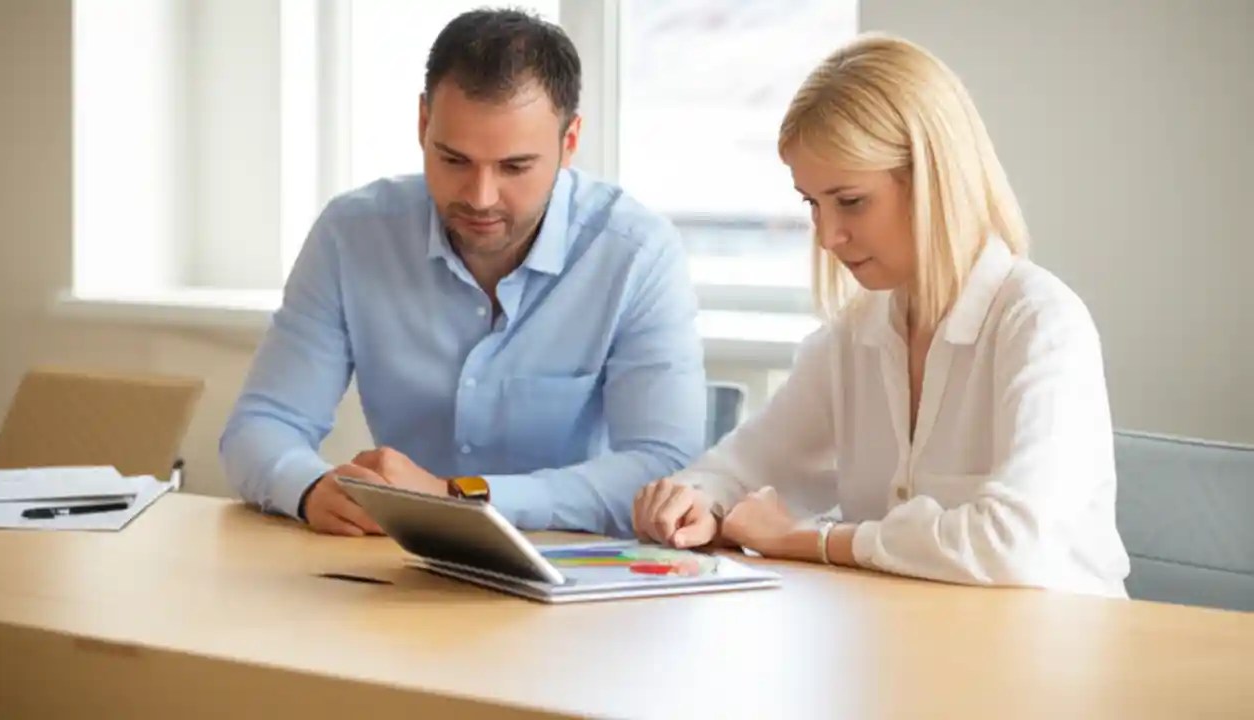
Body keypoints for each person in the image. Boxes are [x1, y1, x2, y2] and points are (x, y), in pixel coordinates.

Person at [632, 34, 1130, 597]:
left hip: (1056, 663)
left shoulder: (1040, 325)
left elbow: (1015, 543)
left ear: (934, 180)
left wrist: (809, 540)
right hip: (916, 655)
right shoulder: (852, 338)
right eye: (811, 204)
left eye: (850, 201)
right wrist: (694, 500)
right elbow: (744, 468)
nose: (828, 236)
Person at [221, 8, 705, 538]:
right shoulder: (352, 235)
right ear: (424, 123)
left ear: (570, 142)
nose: (480, 197)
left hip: (577, 577)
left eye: (515, 167)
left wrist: (459, 496)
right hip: (399, 567)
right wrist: (310, 488)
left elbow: (661, 466)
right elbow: (261, 426)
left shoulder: (635, 253)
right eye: (454, 160)